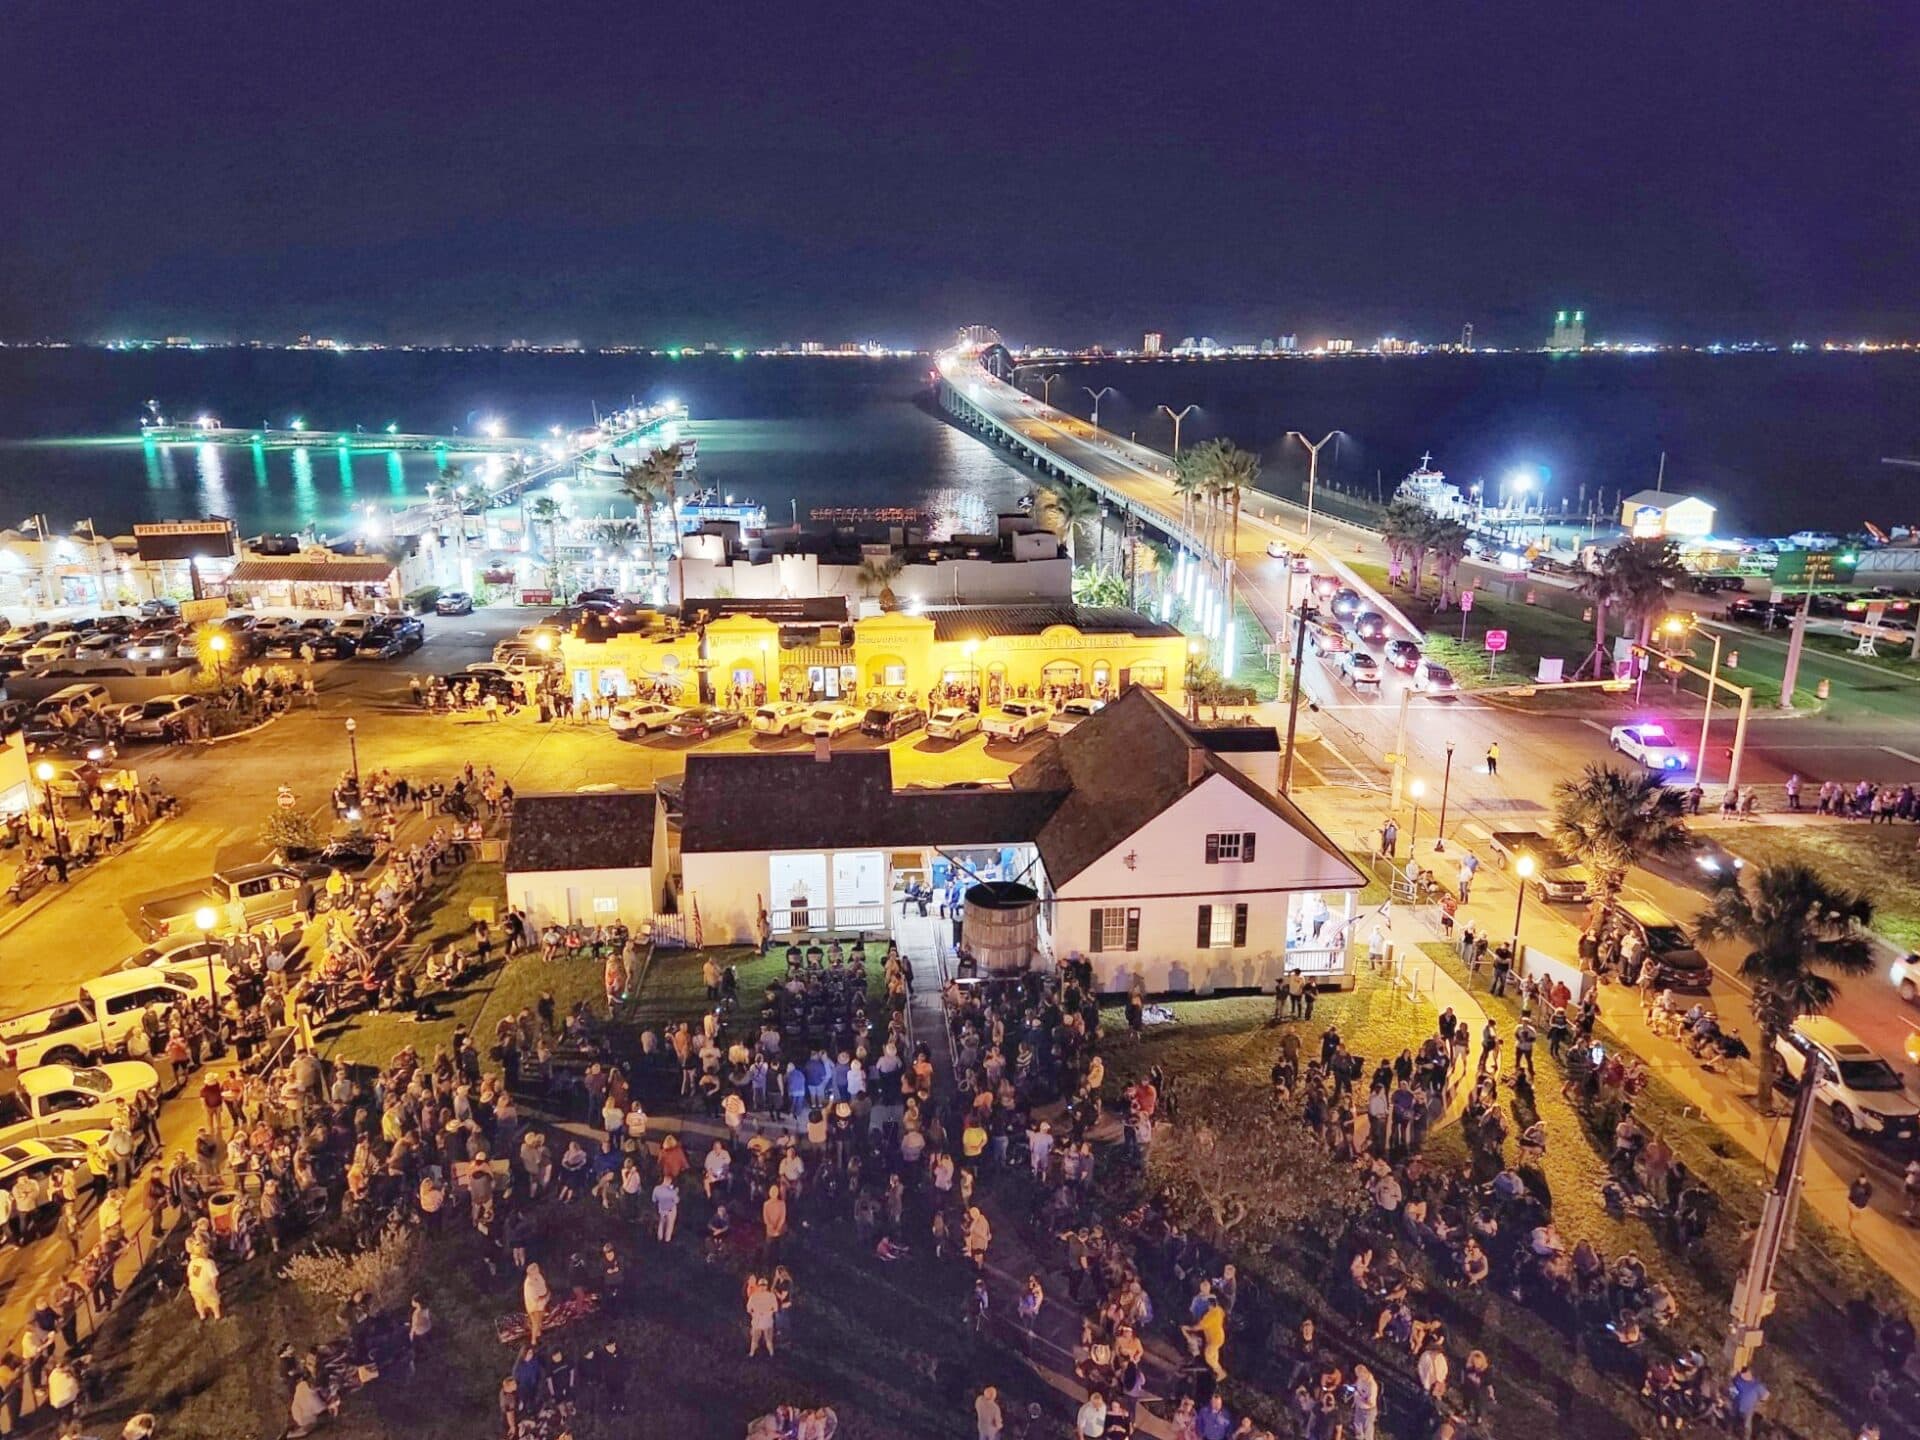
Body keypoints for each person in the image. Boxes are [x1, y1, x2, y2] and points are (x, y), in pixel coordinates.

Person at [523, 1262, 549, 1345]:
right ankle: (533, 1341)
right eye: (536, 1271)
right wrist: (545, 1295)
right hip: (534, 1305)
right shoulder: (529, 1284)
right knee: (535, 1322)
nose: (538, 1272)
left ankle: (539, 1334)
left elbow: (543, 1286)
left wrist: (545, 1294)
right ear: (531, 1273)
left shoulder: (538, 1276)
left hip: (541, 1303)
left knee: (540, 1319)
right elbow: (535, 1296)